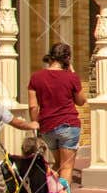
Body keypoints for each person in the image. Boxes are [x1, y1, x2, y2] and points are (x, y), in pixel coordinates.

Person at [27, 41, 87, 185]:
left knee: (57, 164)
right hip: (68, 125)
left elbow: (33, 107)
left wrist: (36, 123)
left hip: (47, 126)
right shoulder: (71, 77)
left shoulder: (36, 77)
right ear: (67, 59)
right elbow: (81, 101)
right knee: (66, 167)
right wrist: (72, 74)